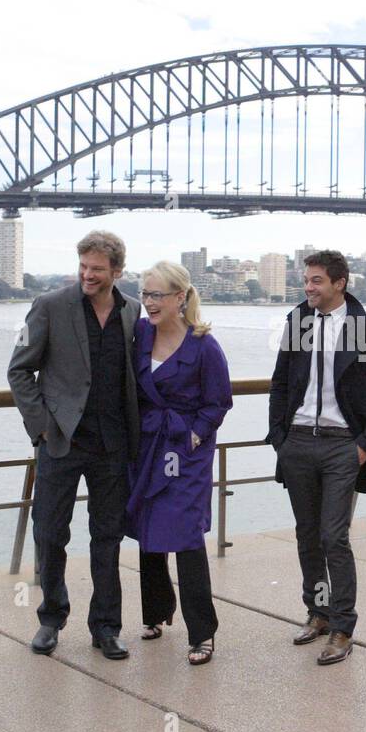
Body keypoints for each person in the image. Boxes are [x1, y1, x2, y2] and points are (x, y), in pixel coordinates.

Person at [7, 231, 140, 661]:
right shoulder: (49, 306)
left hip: (112, 444)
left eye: (97, 269)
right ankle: (51, 618)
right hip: (60, 441)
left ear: (116, 272)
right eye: (83, 266)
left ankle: (106, 627)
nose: (88, 274)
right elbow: (19, 371)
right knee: (49, 533)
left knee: (107, 537)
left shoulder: (132, 312)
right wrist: (42, 427)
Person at [266, 249, 366, 665]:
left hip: (343, 445)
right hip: (299, 443)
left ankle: (342, 627)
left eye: (317, 280)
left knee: (333, 537)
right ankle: (318, 613)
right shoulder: (299, 321)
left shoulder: (365, 328)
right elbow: (280, 383)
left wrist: (364, 446)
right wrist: (279, 438)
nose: (308, 287)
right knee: (307, 534)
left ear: (340, 283)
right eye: (306, 280)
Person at [125, 261, 232, 665]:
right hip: (147, 447)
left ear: (180, 298)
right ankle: (155, 613)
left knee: (185, 535)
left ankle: (202, 633)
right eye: (145, 294)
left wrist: (192, 436)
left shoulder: (204, 345)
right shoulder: (139, 335)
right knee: (148, 527)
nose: (149, 303)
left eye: (157, 295)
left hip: (185, 454)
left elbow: (218, 402)